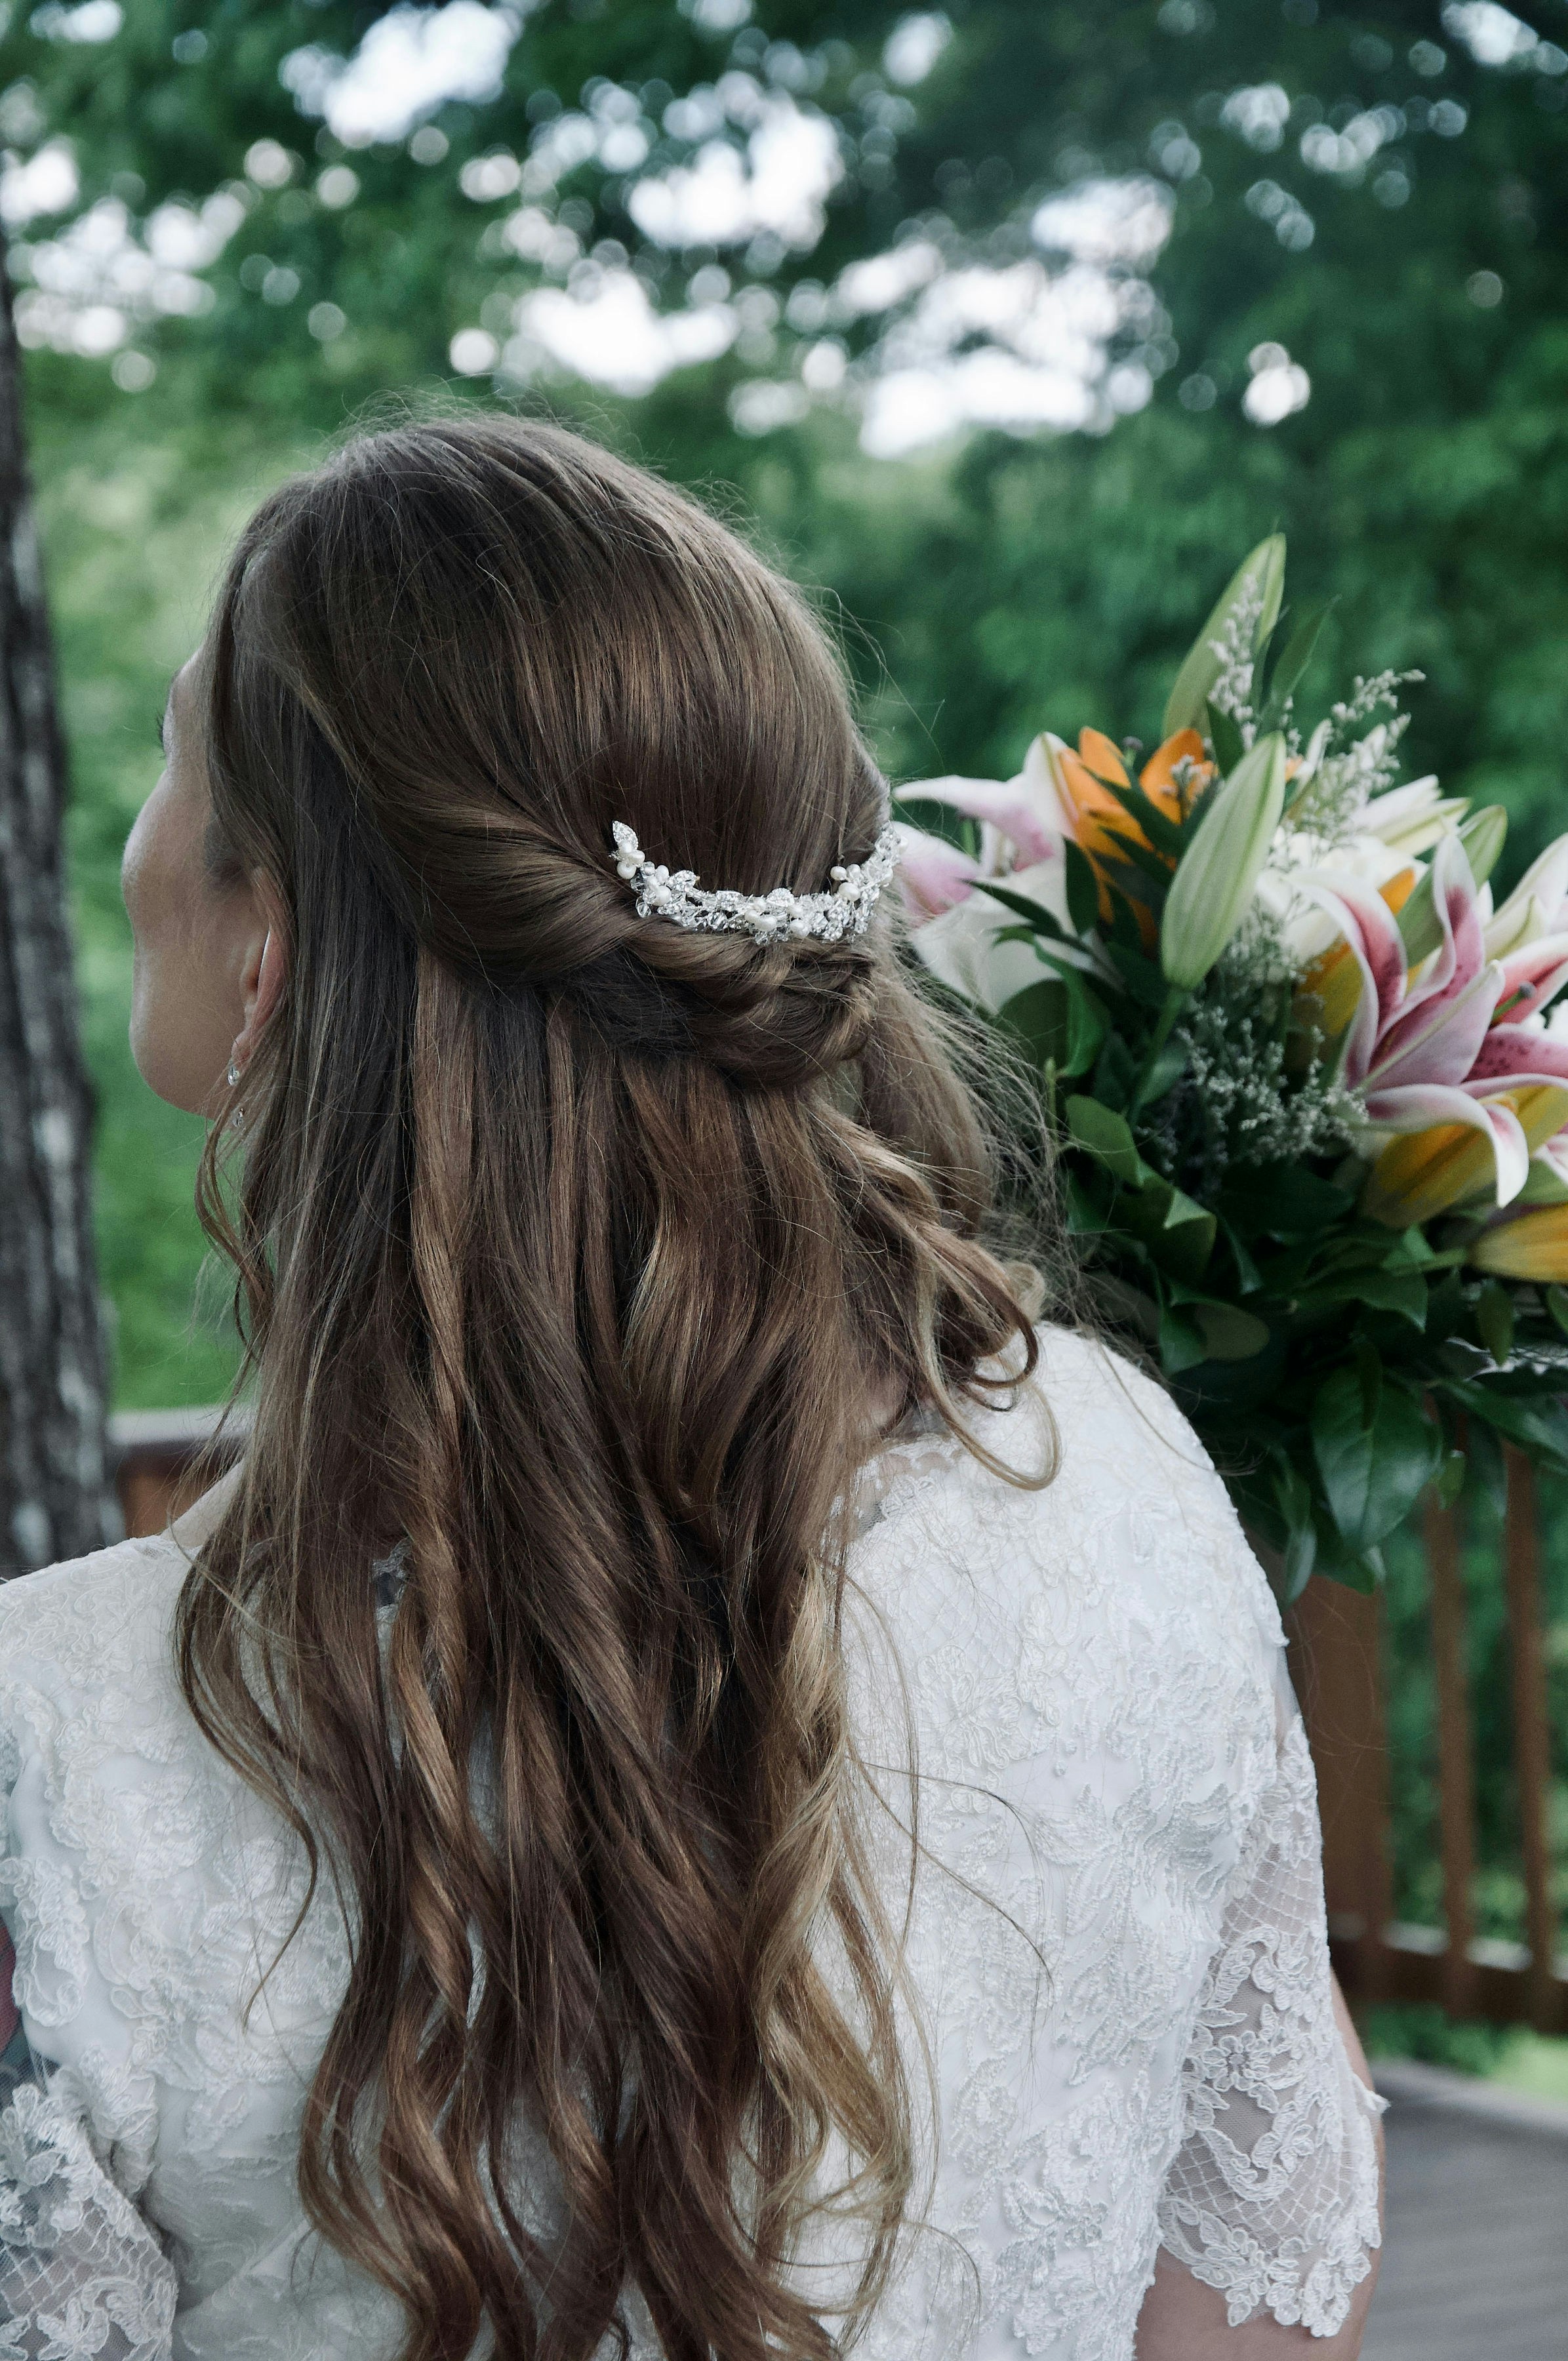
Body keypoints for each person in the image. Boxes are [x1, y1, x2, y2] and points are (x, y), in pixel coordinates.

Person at [0, 418, 1382, 2360]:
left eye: (166, 754)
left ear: (270, 948)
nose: (131, 833)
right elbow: (1264, 2281)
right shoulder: (1121, 1478)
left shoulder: (66, 1749)